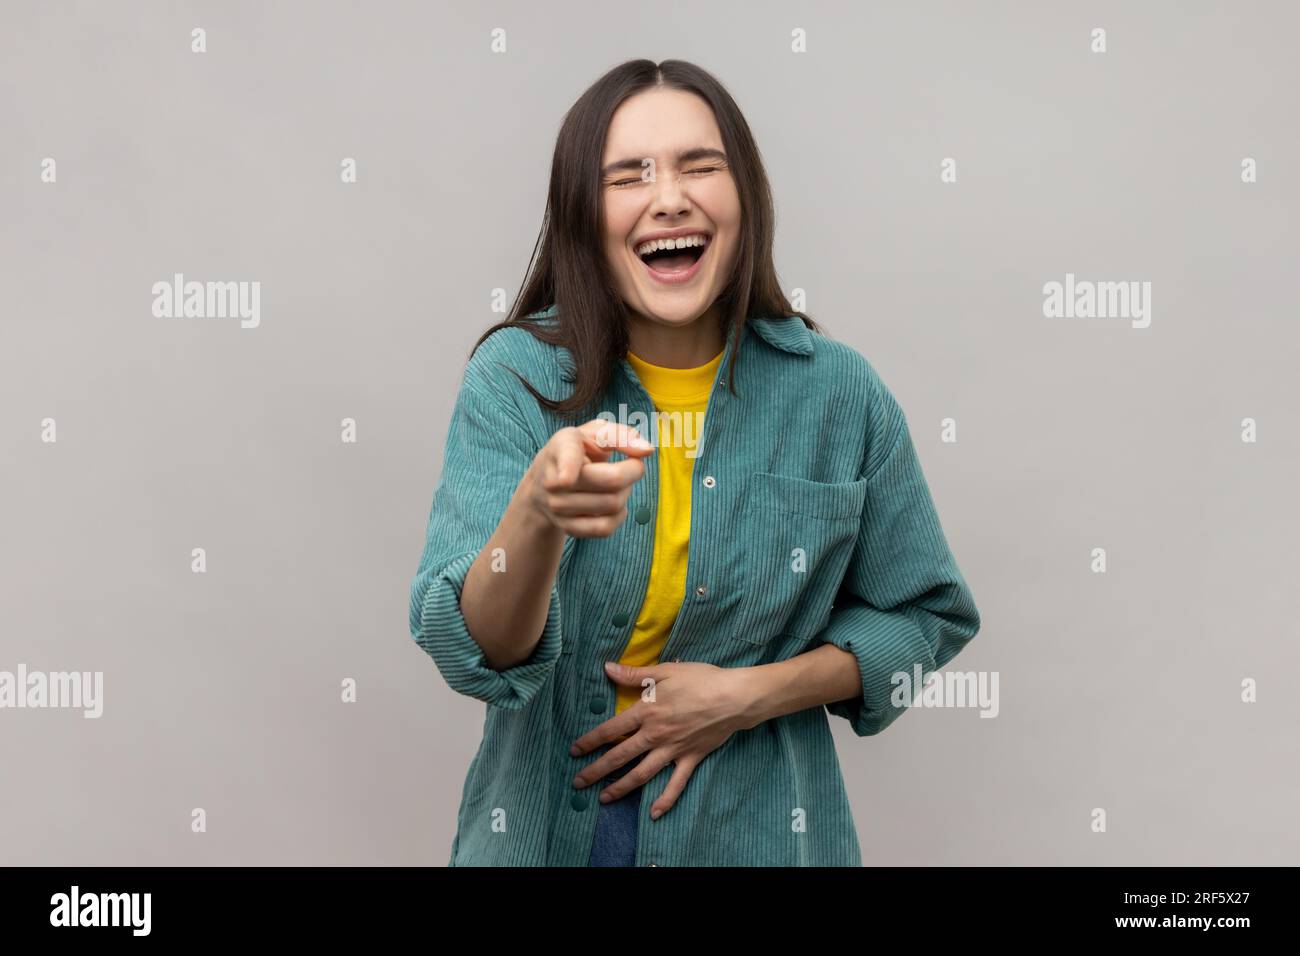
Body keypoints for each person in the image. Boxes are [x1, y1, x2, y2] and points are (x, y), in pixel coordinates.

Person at [409, 58, 982, 867]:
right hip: (553, 834)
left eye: (698, 167)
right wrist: (536, 514)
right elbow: (478, 654)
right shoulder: (516, 379)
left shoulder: (839, 393)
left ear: (743, 198)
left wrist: (745, 697)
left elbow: (926, 617)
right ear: (584, 213)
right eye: (628, 176)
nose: (669, 197)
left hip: (761, 835)